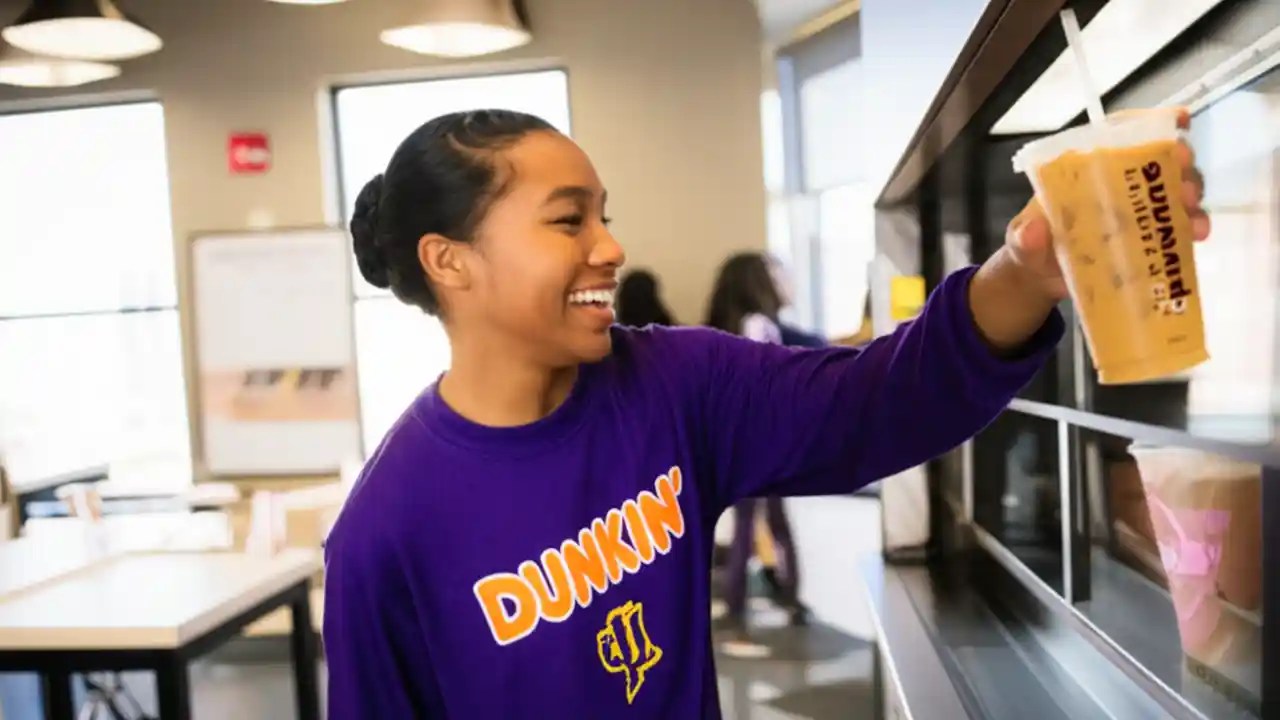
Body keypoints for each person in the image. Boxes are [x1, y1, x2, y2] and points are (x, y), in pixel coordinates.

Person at [324, 108, 1209, 718]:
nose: (610, 246)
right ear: (449, 261)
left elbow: (881, 400)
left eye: (604, 216)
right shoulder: (385, 532)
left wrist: (1027, 270)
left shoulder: (674, 383)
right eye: (568, 221)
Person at [705, 252, 811, 632]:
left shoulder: (723, 328)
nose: (785, 281)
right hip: (763, 439)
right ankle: (789, 597)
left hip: (736, 441)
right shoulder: (759, 325)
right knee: (774, 524)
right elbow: (765, 382)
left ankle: (740, 604)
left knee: (747, 523)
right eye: (777, 274)